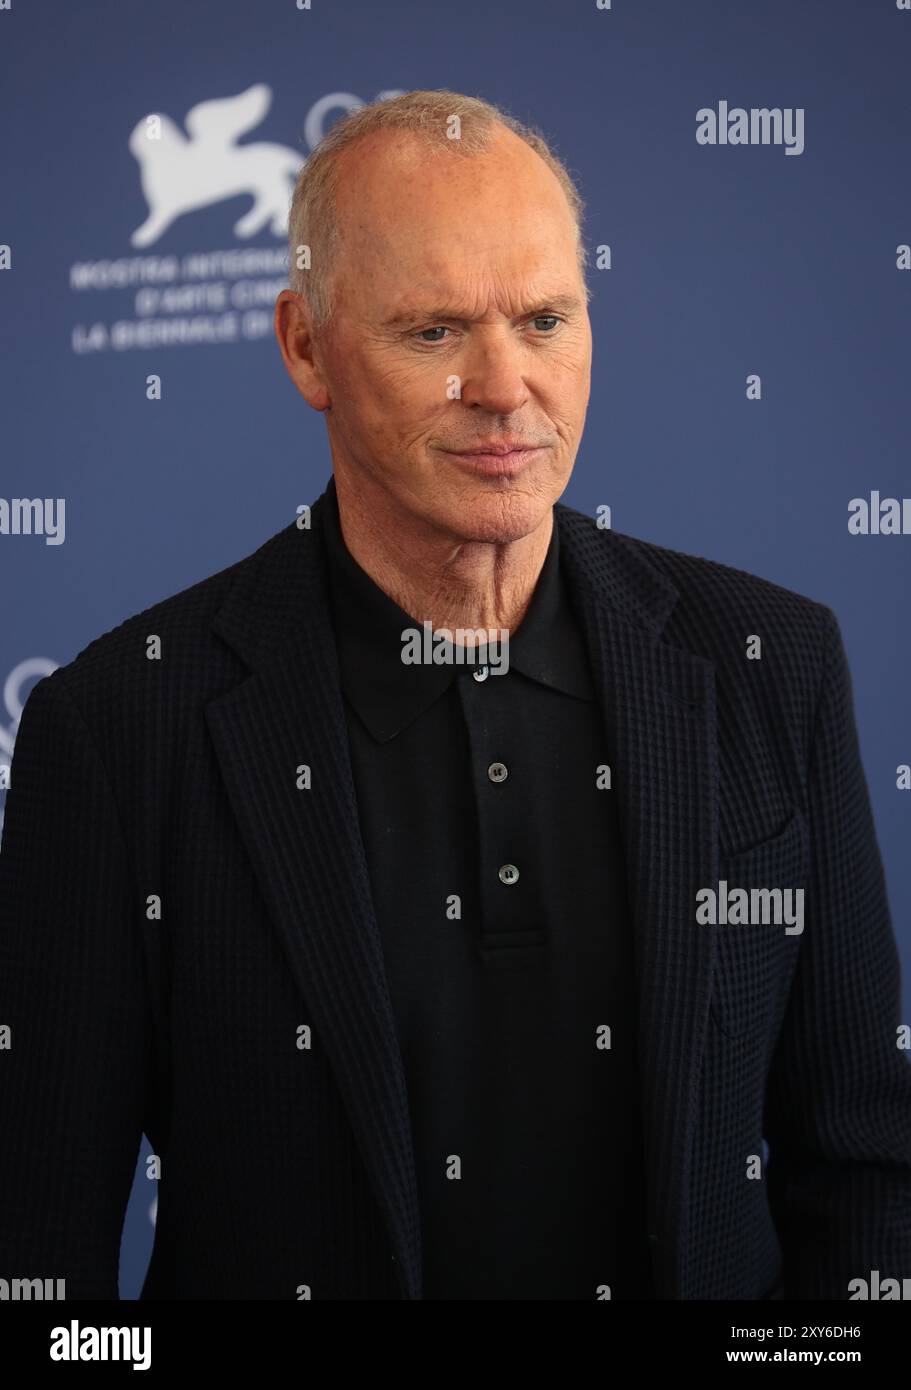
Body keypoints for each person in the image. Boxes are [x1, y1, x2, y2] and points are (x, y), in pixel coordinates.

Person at [1, 89, 909, 1301]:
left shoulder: (770, 664)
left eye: (543, 318)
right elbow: (38, 1269)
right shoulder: (121, 729)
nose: (503, 384)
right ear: (306, 347)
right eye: (432, 332)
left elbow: (863, 1177)